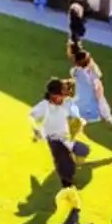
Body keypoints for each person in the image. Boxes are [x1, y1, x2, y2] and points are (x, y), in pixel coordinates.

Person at [29, 78, 88, 208]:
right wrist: (36, 130)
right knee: (64, 164)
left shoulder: (67, 103)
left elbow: (76, 112)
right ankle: (68, 190)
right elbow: (32, 116)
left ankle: (69, 185)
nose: (63, 95)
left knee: (83, 151)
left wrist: (79, 121)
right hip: (53, 138)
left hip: (66, 138)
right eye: (61, 93)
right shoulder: (44, 105)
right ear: (53, 95)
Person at [69, 46, 112, 139]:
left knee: (77, 118)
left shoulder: (76, 71)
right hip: (97, 99)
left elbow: (75, 62)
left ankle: (70, 140)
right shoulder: (94, 69)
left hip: (87, 100)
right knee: (107, 117)